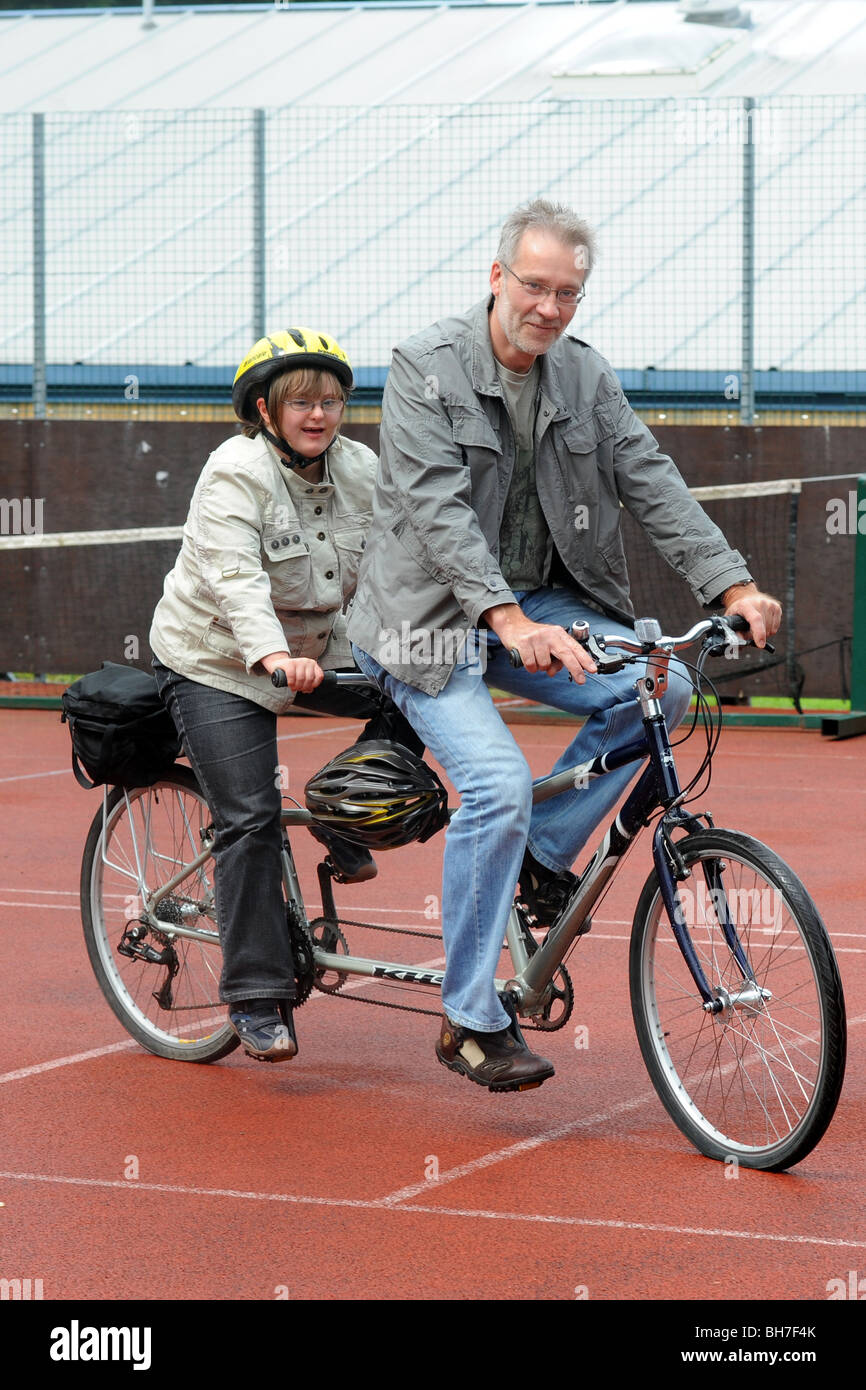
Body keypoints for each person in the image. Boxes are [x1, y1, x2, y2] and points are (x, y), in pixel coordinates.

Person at [348, 199, 782, 1094]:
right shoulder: (423, 368)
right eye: (535, 286)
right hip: (423, 621)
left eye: (569, 294)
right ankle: (470, 1018)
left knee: (663, 690)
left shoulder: (585, 378)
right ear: (497, 276)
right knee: (497, 783)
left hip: (542, 604)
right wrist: (506, 620)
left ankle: (543, 857)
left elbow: (651, 480)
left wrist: (729, 583)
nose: (549, 307)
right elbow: (435, 515)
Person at [149, 328, 419, 1065]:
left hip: (319, 650)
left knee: (422, 693)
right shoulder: (234, 473)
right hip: (220, 660)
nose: (319, 414)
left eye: (331, 400)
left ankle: (342, 821)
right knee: (250, 817)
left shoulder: (361, 467)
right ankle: (256, 994)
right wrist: (268, 652)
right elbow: (235, 577)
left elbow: (406, 556)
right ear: (264, 410)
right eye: (302, 401)